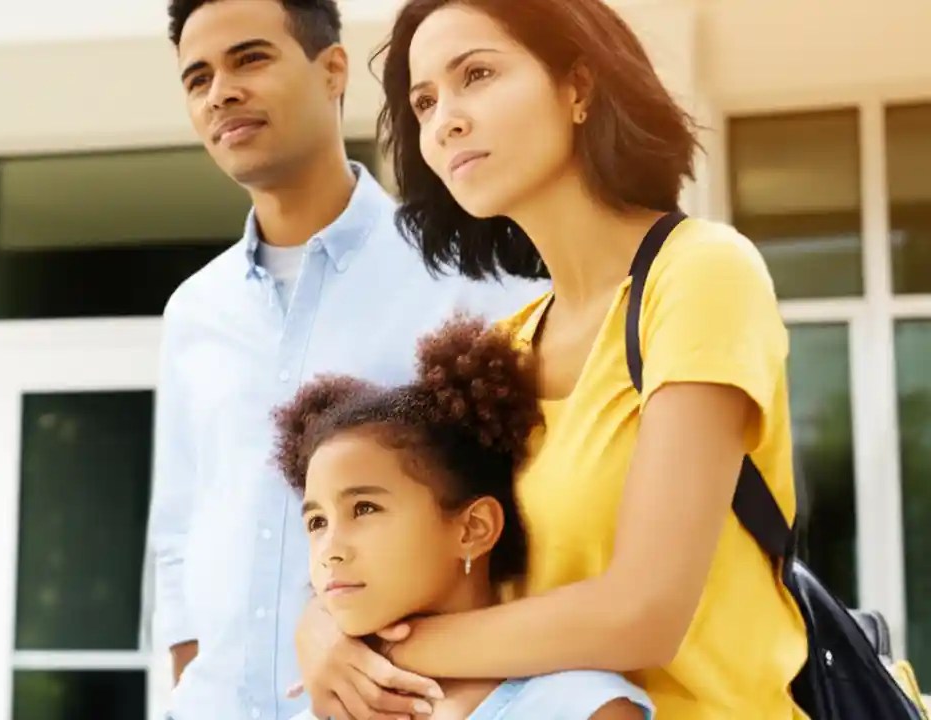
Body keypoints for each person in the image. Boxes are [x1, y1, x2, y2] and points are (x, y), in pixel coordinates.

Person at [293, 0, 810, 718]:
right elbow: (403, 537)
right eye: (424, 101)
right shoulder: (498, 351)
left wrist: (381, 649)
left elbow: (644, 614)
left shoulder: (700, 275)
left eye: (476, 74)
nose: (445, 120)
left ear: (579, 88)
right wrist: (319, 627)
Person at [150, 1, 543, 718]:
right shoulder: (194, 312)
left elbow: (519, 529)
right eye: (197, 77)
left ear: (333, 69)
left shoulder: (469, 281)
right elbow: (179, 531)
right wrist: (189, 680)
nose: (221, 92)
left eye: (250, 58)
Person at [272, 315, 654, 720]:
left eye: (364, 509)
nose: (329, 551)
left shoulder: (577, 708)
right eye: (316, 522)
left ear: (474, 528)